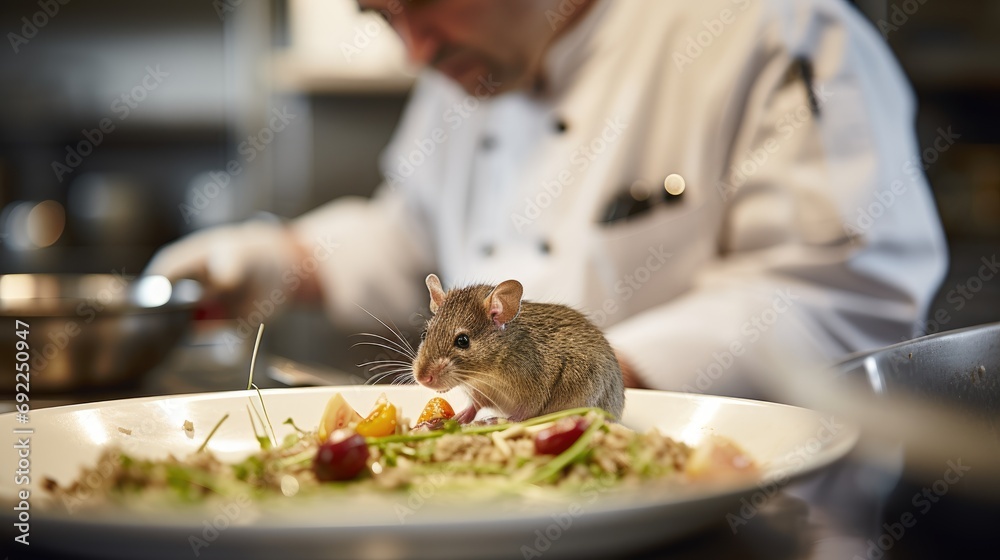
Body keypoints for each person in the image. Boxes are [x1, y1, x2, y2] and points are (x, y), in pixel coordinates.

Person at [148, 0, 948, 396]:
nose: (415, 50)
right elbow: (412, 237)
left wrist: (587, 387)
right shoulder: (464, 66)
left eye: (422, 1)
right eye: (382, 13)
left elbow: (836, 295)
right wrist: (282, 260)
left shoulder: (772, 28)